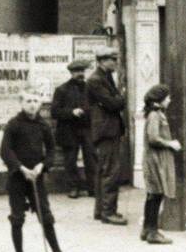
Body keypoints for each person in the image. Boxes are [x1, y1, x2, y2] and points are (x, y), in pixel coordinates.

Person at [0, 94, 78, 252]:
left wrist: (42, 165)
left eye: (35, 101)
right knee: (17, 218)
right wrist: (20, 168)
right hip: (18, 179)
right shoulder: (13, 125)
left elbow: (51, 149)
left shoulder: (43, 125)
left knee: (46, 217)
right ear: (21, 103)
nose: (32, 105)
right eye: (28, 101)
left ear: (40, 104)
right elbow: (5, 150)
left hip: (37, 178)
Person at [88, 49, 128, 225]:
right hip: (106, 130)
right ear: (101, 60)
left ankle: (101, 210)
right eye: (112, 59)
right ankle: (108, 212)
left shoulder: (103, 77)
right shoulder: (96, 80)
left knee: (103, 171)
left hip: (106, 129)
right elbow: (113, 104)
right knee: (111, 172)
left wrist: (117, 98)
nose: (115, 62)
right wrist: (121, 97)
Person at [50, 58, 95, 198]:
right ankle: (74, 187)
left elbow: (96, 108)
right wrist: (71, 112)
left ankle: (92, 188)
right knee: (70, 161)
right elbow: (54, 112)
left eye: (82, 71)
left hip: (87, 129)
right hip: (69, 130)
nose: (80, 74)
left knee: (91, 159)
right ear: (71, 72)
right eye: (77, 71)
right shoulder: (61, 90)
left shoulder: (90, 89)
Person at [141, 83, 180, 244]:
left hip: (157, 159)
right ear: (158, 101)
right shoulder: (155, 116)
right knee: (155, 194)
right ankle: (152, 232)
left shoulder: (157, 114)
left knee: (153, 194)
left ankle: (147, 229)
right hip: (154, 160)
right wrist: (170, 144)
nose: (169, 100)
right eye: (167, 97)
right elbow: (153, 138)